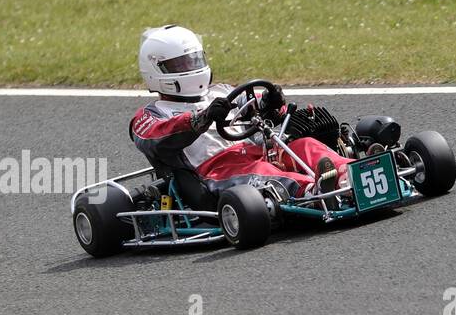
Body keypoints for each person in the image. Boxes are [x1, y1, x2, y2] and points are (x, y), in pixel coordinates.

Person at [129, 25, 351, 199]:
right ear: (156, 70)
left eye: (194, 59)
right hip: (216, 171)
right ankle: (313, 191)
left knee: (304, 145)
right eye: (180, 65)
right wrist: (201, 119)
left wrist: (272, 103)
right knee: (261, 169)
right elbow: (160, 135)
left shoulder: (222, 92)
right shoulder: (150, 116)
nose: (191, 68)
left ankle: (348, 174)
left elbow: (264, 110)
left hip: (256, 151)